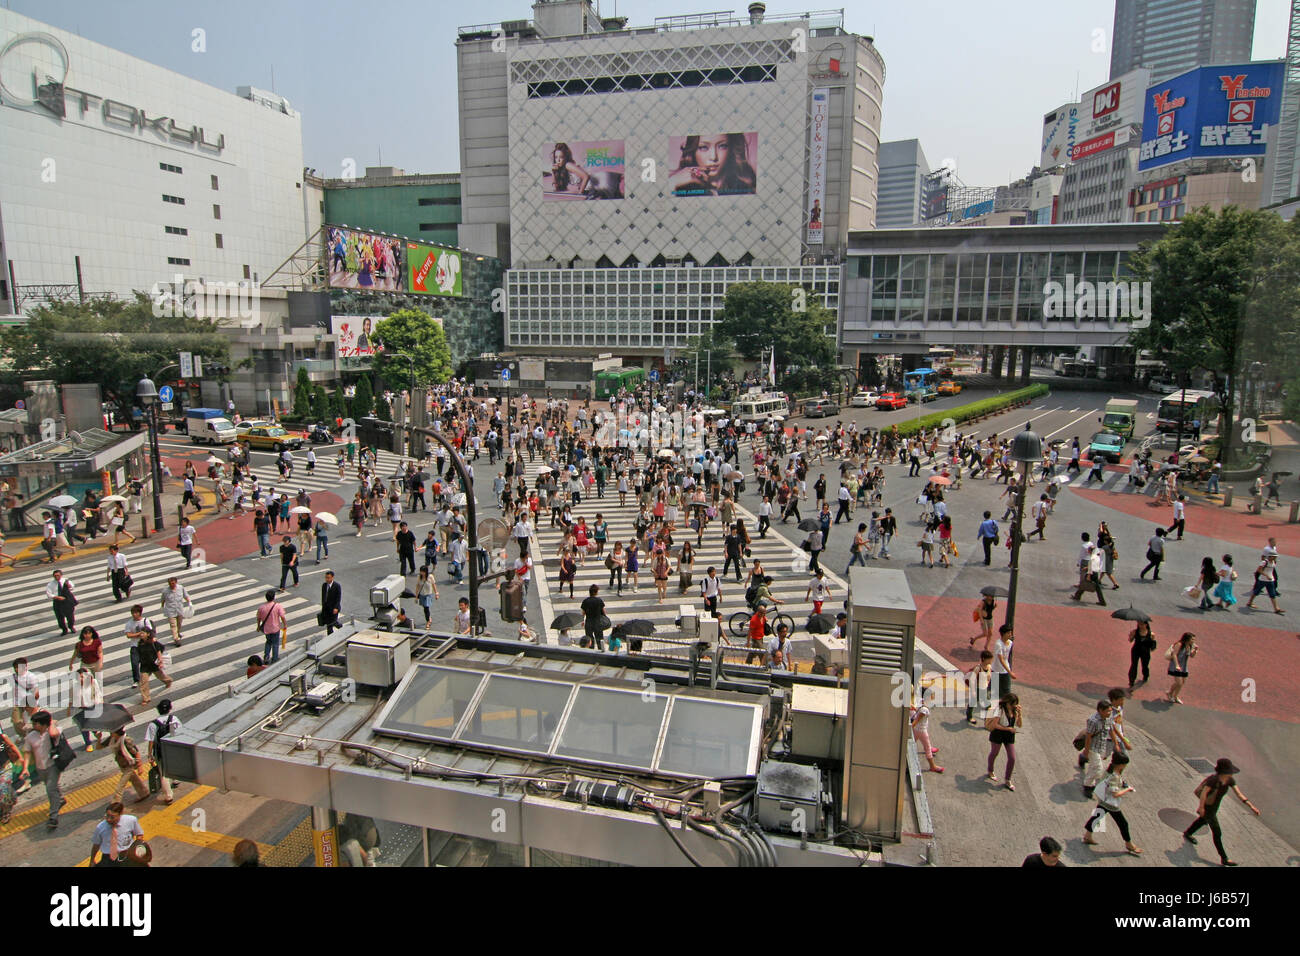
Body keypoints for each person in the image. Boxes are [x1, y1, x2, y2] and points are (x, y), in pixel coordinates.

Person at [1183, 757, 1260, 867]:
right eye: (1229, 772)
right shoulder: (1213, 780)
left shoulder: (1229, 780)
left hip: (1214, 808)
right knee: (1217, 833)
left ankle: (1188, 833)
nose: (1231, 774)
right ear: (1224, 772)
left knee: (1202, 821)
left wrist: (1251, 806)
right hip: (1209, 808)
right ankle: (1224, 858)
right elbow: (1204, 793)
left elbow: (1239, 794)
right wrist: (1201, 808)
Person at [1083, 752, 1143, 856]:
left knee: (1097, 816)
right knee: (1123, 823)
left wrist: (1122, 783)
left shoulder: (1109, 770)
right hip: (1110, 804)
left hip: (1103, 800)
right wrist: (1128, 789)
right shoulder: (1114, 775)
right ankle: (1129, 844)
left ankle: (1087, 836)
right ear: (1120, 764)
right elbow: (1115, 794)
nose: (1125, 766)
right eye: (1124, 764)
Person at [23, 710, 69, 830]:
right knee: (51, 786)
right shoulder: (30, 737)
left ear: (43, 724)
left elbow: (54, 733)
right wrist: (25, 768)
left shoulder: (53, 731)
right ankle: (60, 799)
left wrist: (50, 722)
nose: (33, 726)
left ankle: (53, 817)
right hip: (40, 768)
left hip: (53, 765)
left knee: (50, 789)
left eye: (36, 723)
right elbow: (27, 752)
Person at [1081, 698, 1120, 796]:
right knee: (1098, 769)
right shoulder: (1093, 721)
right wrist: (1086, 750)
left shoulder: (1109, 718)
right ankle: (1087, 784)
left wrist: (1116, 744)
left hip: (1101, 746)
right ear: (1100, 710)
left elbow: (1111, 730)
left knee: (1094, 766)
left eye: (1110, 711)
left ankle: (1089, 783)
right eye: (1107, 711)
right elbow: (1089, 736)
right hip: (1092, 747)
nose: (1109, 713)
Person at [145, 699, 181, 805]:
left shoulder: (153, 724)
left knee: (163, 773)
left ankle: (168, 796)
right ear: (170, 708)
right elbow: (180, 731)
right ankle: (175, 780)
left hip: (160, 751)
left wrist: (149, 754)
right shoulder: (174, 719)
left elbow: (151, 740)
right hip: (173, 747)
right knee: (174, 764)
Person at [90, 801, 146, 867]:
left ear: (120, 814)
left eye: (112, 817)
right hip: (108, 859)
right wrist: (92, 860)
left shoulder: (131, 820)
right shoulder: (100, 827)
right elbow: (96, 845)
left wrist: (138, 848)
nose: (108, 819)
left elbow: (139, 834)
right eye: (107, 816)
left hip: (127, 855)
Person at [985, 693, 1021, 791]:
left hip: (1009, 736)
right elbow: (995, 724)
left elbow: (1019, 724)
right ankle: (990, 770)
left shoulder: (1015, 711)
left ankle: (1008, 779)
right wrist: (1008, 729)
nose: (1013, 706)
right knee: (994, 753)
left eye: (1015, 704)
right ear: (1007, 703)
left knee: (1012, 758)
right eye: (1012, 704)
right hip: (998, 734)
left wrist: (1020, 714)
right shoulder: (1000, 710)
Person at [108, 727, 149, 804]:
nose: (110, 733)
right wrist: (99, 738)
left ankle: (114, 804)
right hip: (122, 764)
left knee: (120, 787)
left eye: (111, 732)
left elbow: (136, 752)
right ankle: (143, 792)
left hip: (129, 765)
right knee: (134, 779)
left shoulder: (126, 740)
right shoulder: (112, 739)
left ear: (116, 732)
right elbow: (99, 746)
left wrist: (140, 766)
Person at [136, 626, 172, 705]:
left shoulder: (153, 642)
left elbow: (158, 651)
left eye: (143, 633)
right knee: (143, 681)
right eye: (140, 633)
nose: (141, 634)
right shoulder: (140, 643)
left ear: (148, 634)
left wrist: (160, 661)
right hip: (144, 665)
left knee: (161, 676)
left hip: (153, 664)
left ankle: (168, 681)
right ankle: (146, 698)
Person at [910, 690, 943, 773]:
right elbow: (916, 721)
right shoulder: (924, 710)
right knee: (927, 748)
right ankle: (932, 766)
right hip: (921, 731)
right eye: (932, 696)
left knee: (912, 744)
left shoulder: (921, 702)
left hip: (919, 729)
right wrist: (909, 728)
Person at [256, 589, 288, 665]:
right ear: (273, 597)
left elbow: (258, 618)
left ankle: (266, 657)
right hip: (275, 628)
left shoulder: (261, 607)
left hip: (266, 629)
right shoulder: (277, 606)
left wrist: (258, 626)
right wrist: (285, 625)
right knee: (275, 643)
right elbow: (282, 616)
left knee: (268, 642)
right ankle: (275, 658)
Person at [159, 576, 193, 647]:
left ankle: (177, 633)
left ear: (176, 582)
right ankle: (176, 639)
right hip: (170, 611)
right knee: (173, 625)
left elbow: (185, 595)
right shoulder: (165, 591)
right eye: (170, 584)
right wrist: (162, 606)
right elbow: (163, 599)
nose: (172, 585)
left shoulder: (180, 588)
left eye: (173, 583)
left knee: (179, 624)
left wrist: (189, 602)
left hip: (179, 609)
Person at [1164, 631, 1197, 704]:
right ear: (1187, 639)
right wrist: (1176, 665)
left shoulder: (1189, 646)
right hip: (1177, 665)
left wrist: (1194, 651)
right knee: (1179, 682)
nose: (1193, 641)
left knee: (1182, 682)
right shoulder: (1179, 644)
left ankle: (1175, 696)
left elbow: (1191, 656)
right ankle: (1170, 693)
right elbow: (1174, 655)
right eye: (1192, 639)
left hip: (1184, 666)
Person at [46, 569, 78, 635]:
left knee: (70, 617)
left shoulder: (66, 581)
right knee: (60, 617)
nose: (56, 577)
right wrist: (57, 597)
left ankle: (71, 626)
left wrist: (69, 585)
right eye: (55, 576)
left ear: (61, 575)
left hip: (67, 601)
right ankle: (64, 629)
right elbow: (49, 594)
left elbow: (72, 587)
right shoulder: (50, 584)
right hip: (57, 602)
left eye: (58, 575)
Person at [1127, 620, 1157, 689]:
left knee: (1145, 665)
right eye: (1139, 624)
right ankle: (1131, 681)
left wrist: (1152, 647)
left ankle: (1145, 676)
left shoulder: (1151, 634)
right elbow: (1130, 640)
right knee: (1134, 665)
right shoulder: (1135, 632)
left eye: (1142, 624)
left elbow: (1152, 643)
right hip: (1136, 651)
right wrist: (1131, 636)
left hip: (1145, 652)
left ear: (1146, 625)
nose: (1140, 625)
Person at [581, 584, 606, 651]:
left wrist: (582, 621)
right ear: (596, 592)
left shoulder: (585, 601)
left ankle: (591, 651)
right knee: (599, 639)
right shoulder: (599, 601)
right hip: (598, 622)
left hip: (589, 622)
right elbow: (603, 612)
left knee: (589, 639)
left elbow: (583, 613)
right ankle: (601, 651)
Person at [320, 571, 343, 635]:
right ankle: (333, 634)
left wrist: (336, 608)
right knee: (330, 624)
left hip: (334, 609)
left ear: (332, 577)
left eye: (328, 578)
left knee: (331, 624)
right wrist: (323, 607)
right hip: (326, 609)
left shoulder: (337, 586)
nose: (327, 579)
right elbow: (323, 597)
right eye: (326, 578)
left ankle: (340, 629)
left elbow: (338, 598)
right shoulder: (324, 585)